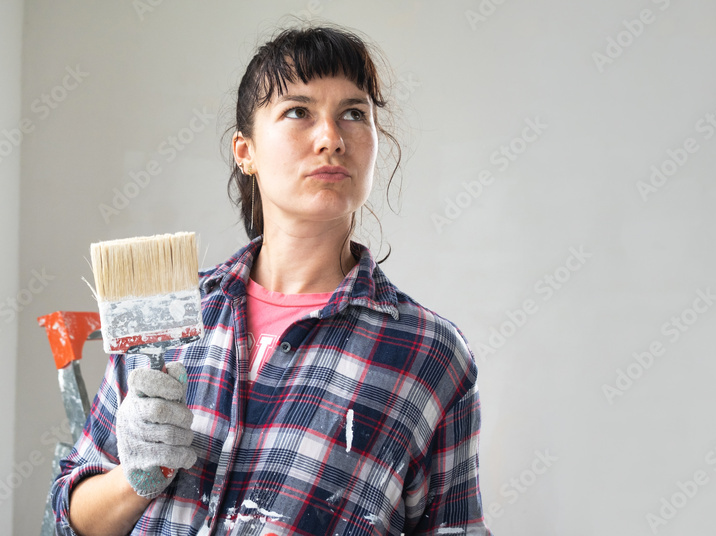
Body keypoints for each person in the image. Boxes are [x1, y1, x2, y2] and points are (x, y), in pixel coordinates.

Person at [50, 23, 490, 535]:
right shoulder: (166, 311)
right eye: (298, 111)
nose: (330, 138)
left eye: (353, 113)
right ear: (246, 151)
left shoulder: (430, 354)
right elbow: (69, 519)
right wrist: (134, 478)